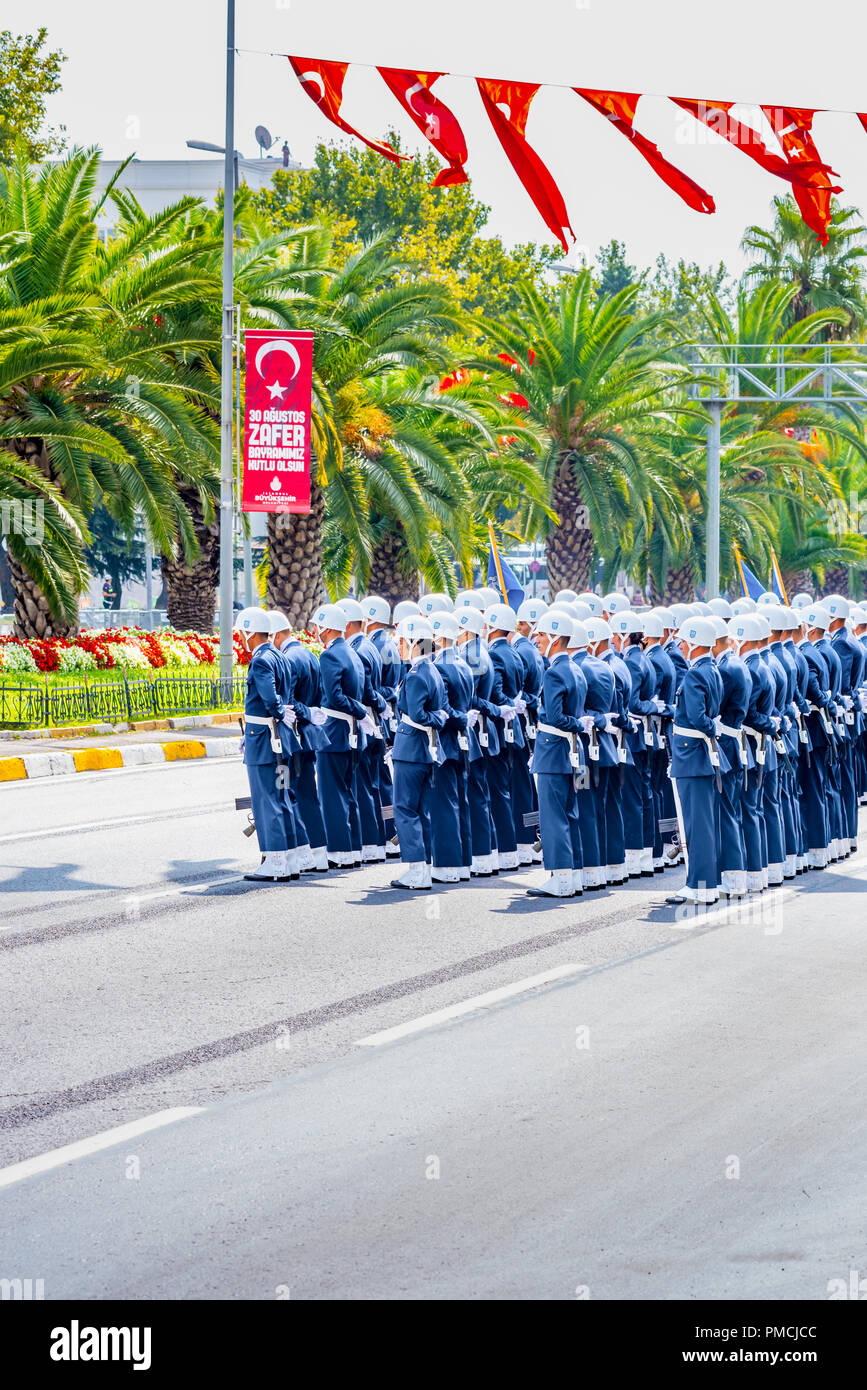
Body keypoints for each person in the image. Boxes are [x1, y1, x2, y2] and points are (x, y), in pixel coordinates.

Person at [665, 617, 729, 907]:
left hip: (692, 753)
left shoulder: (695, 674)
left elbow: (698, 717)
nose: (680, 645)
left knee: (696, 824)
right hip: (699, 753)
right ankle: (707, 883)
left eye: (683, 641)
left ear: (693, 642)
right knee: (703, 822)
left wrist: (709, 728)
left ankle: (699, 885)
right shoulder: (710, 669)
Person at [234, 606, 294, 882]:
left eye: (242, 633)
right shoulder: (278, 656)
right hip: (278, 738)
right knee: (281, 797)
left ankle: (274, 859)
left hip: (263, 739)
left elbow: (270, 698)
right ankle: (287, 859)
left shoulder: (260, 660)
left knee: (265, 799)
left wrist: (278, 711)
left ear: (250, 632)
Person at [528, 610, 585, 896]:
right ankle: (572, 875)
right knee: (569, 813)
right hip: (568, 750)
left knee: (553, 817)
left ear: (553, 637)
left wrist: (574, 724)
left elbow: (554, 716)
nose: (536, 639)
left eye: (540, 635)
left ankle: (560, 878)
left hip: (552, 750)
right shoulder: (574, 668)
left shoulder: (554, 672)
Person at [315, 604, 376, 868]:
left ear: (327, 628)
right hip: (351, 733)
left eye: (318, 626)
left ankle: (339, 851)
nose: (315, 631)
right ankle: (353, 849)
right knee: (349, 793)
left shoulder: (330, 656)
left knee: (333, 794)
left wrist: (358, 710)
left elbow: (335, 696)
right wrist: (360, 711)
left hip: (335, 732)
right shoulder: (352, 653)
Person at [389, 615, 448, 890]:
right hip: (426, 750)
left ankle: (415, 869)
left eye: (402, 641)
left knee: (405, 809)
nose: (399, 646)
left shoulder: (415, 675)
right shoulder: (433, 670)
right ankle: (423, 867)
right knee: (421, 811)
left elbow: (417, 714)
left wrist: (434, 718)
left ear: (414, 643)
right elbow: (440, 712)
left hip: (411, 748)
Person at [269, 611, 330, 872]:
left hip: (291, 738)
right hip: (307, 737)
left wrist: (301, 712)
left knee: (286, 790)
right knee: (308, 794)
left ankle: (300, 852)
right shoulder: (308, 655)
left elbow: (288, 703)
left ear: (277, 635)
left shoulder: (286, 659)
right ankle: (319, 853)